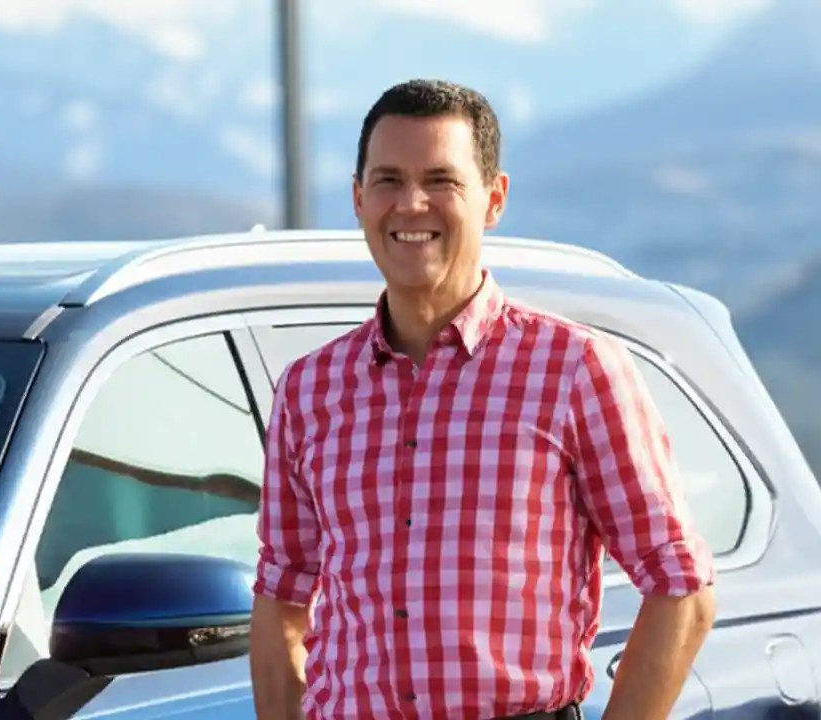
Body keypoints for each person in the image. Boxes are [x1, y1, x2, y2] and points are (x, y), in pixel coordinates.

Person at [248, 78, 717, 720]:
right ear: (359, 200)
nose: (411, 204)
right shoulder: (308, 391)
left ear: (493, 199)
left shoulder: (575, 370)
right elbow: (281, 595)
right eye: (388, 180)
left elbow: (682, 588)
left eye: (441, 179)